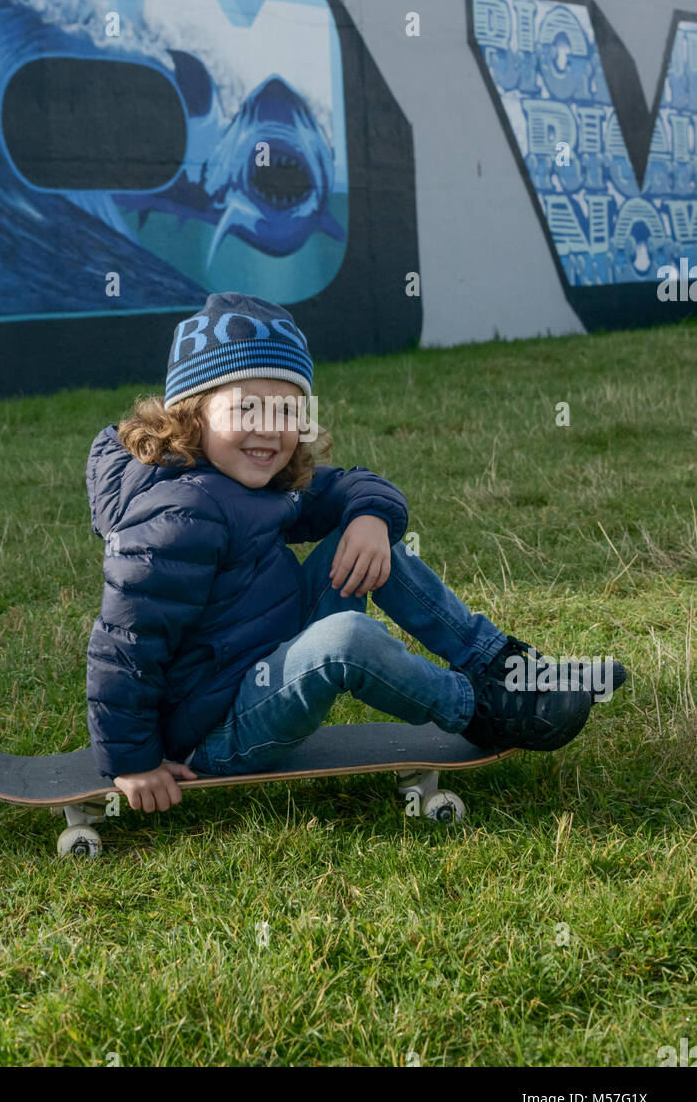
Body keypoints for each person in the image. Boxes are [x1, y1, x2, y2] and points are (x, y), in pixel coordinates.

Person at [85, 292, 627, 813]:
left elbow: (347, 487)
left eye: (288, 411)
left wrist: (369, 518)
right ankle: (481, 711)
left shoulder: (240, 473)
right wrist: (134, 761)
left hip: (265, 659)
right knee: (347, 640)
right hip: (214, 732)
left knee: (369, 541)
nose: (269, 430)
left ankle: (505, 666)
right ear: (191, 413)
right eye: (247, 407)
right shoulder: (176, 514)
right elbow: (124, 643)